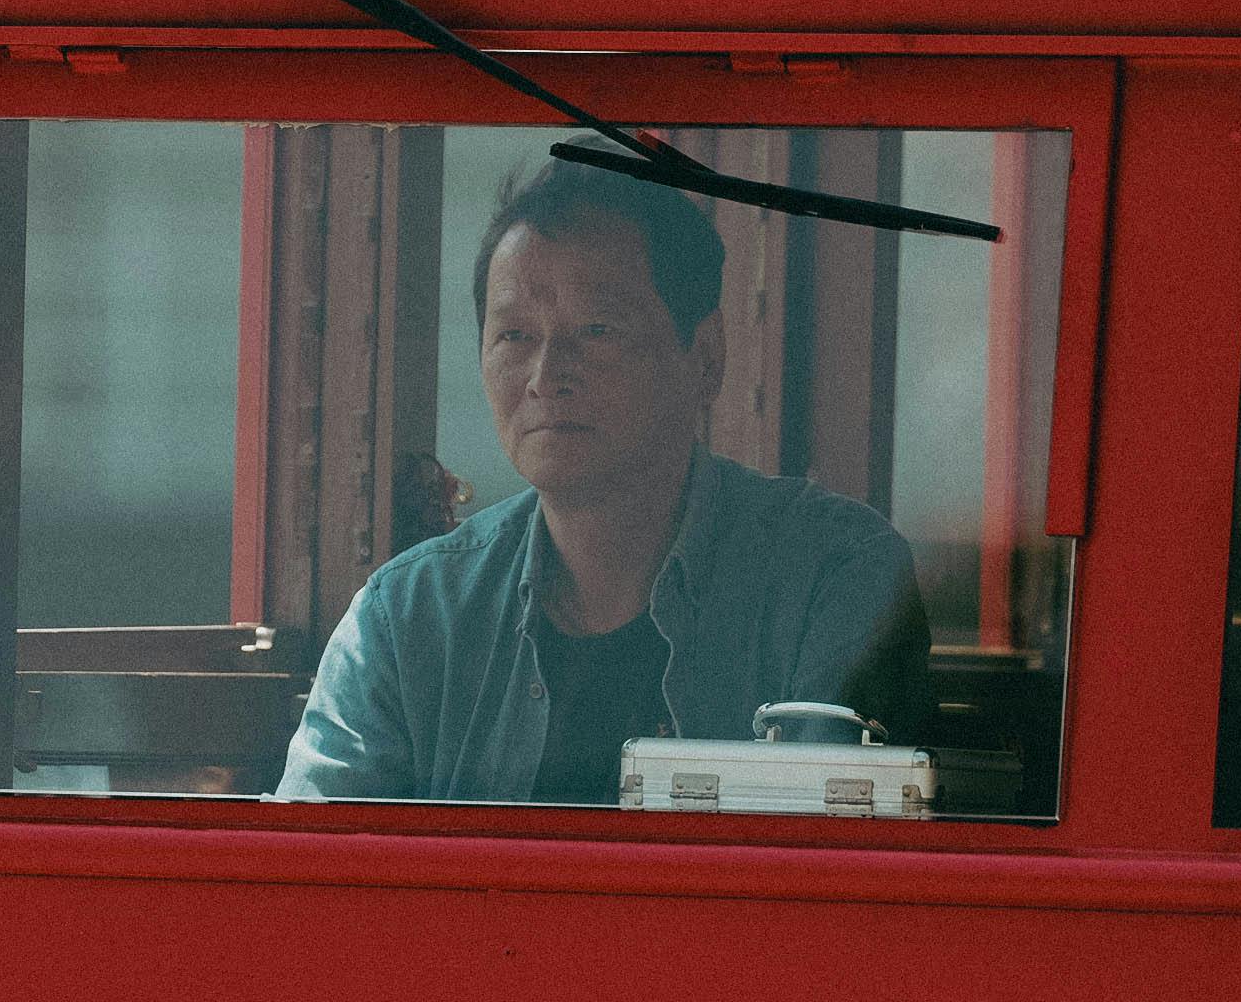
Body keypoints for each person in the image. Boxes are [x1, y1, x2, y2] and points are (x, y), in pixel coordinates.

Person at [277, 156, 915, 803]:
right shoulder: (407, 616)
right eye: (515, 336)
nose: (547, 375)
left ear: (706, 357)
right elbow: (307, 883)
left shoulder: (830, 575)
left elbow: (827, 875)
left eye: (597, 330)